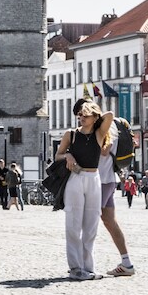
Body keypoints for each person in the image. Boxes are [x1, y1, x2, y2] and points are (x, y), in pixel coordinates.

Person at [55, 100, 114, 281]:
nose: (81, 118)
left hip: (93, 178)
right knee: (73, 223)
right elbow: (57, 156)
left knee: (91, 224)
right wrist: (68, 155)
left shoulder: (98, 134)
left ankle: (88, 266)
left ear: (94, 117)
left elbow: (110, 115)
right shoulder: (71, 134)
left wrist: (92, 109)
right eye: (79, 115)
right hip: (76, 178)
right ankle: (75, 268)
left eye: (85, 115)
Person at [95, 118, 136, 278]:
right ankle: (126, 263)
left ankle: (84, 265)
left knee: (88, 221)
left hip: (101, 180)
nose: (81, 120)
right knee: (110, 222)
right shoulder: (115, 125)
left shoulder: (105, 127)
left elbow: (105, 150)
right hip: (110, 179)